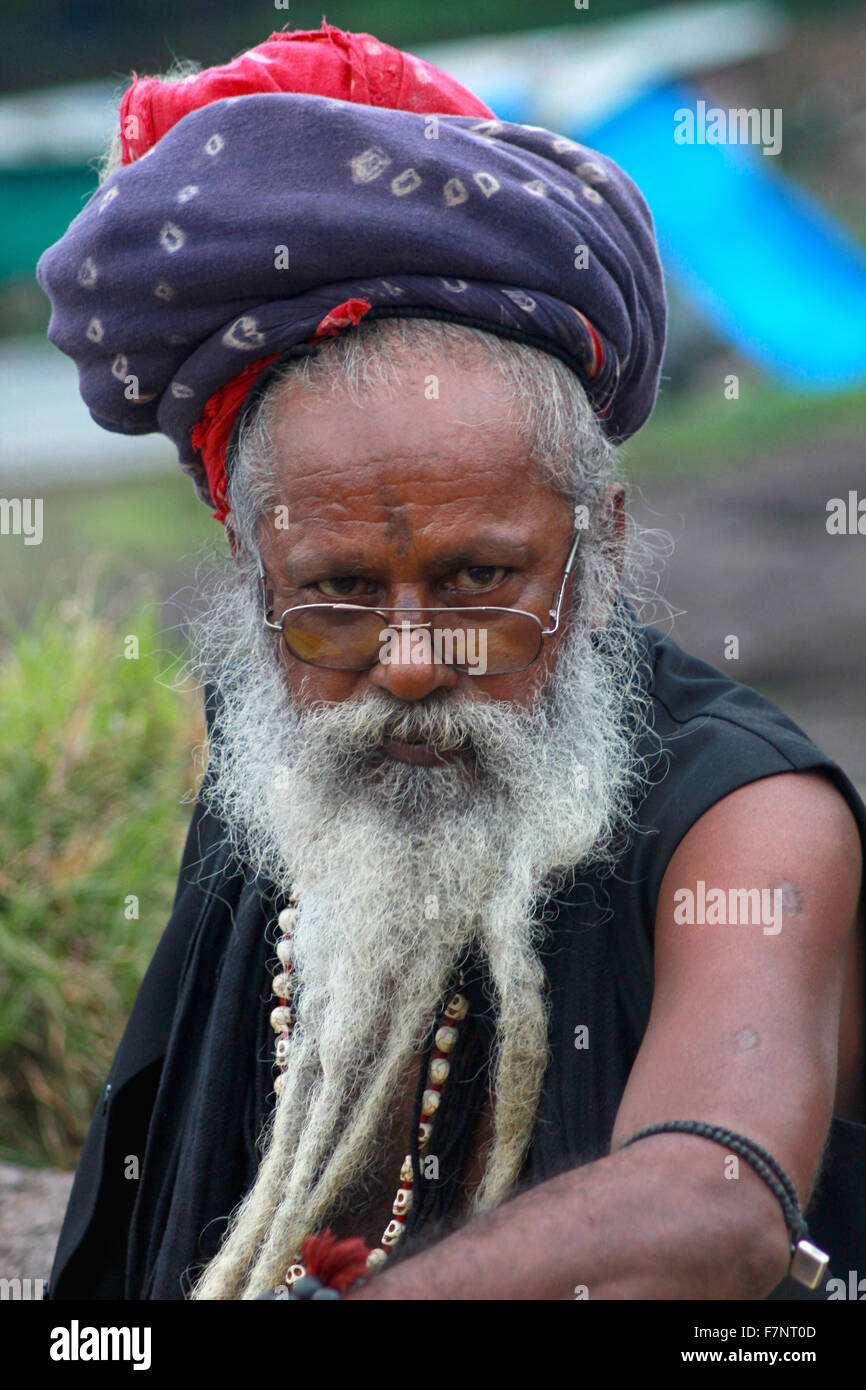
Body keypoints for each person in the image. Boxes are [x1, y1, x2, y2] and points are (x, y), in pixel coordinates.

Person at [38, 23, 865, 1301]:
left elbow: (710, 1206)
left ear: (595, 551)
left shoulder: (749, 816)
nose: (410, 662)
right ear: (258, 580)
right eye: (338, 595)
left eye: (480, 580)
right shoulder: (278, 745)